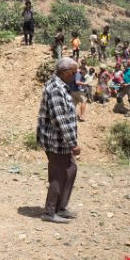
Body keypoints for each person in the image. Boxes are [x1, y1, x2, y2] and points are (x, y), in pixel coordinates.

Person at [36, 57, 81, 224]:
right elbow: (60, 119)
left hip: (61, 140)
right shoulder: (55, 88)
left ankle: (60, 208)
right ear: (64, 72)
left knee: (71, 169)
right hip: (54, 140)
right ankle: (50, 211)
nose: (75, 76)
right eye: (73, 72)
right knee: (59, 174)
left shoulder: (62, 86)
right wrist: (73, 143)